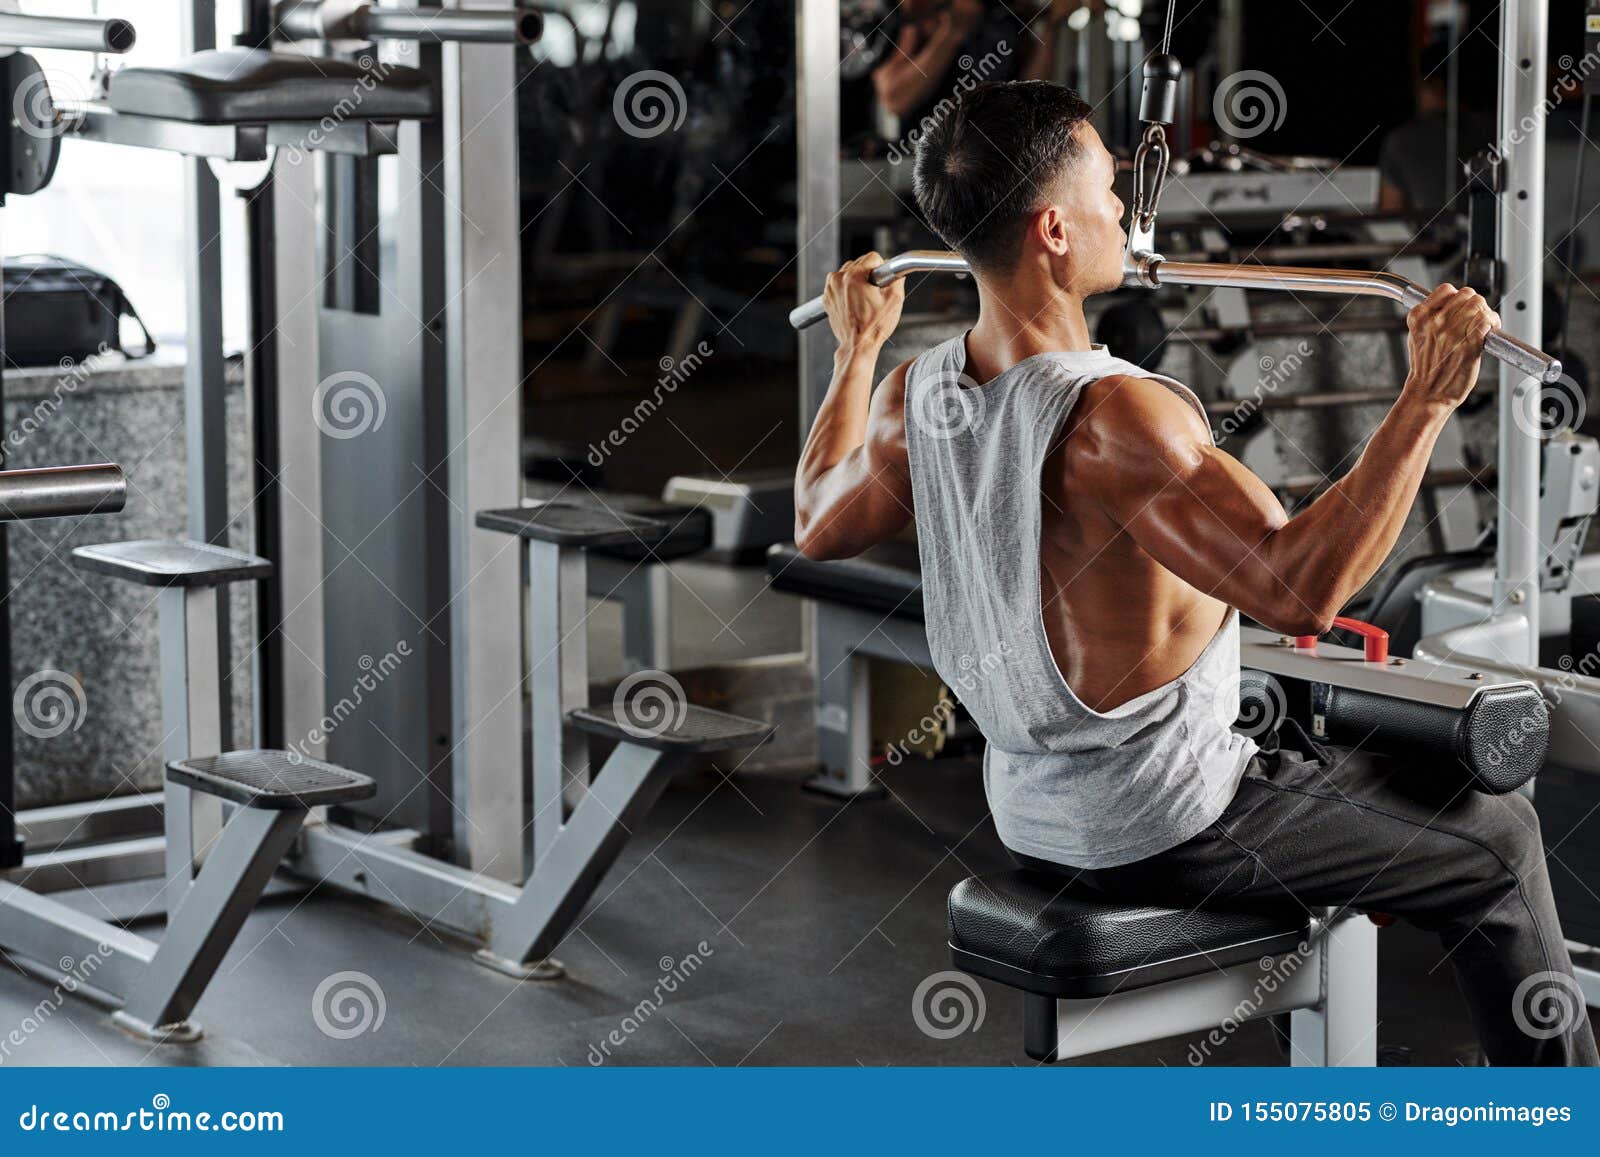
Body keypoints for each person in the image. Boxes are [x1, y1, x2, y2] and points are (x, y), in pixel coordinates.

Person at [792, 80, 1598, 1067]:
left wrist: (857, 351)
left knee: (1377, 772)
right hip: (1167, 825)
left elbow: (815, 520)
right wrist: (1425, 400)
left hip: (1031, 813)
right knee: (1502, 839)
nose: (1126, 213)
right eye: (1107, 190)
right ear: (1053, 230)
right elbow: (1298, 591)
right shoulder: (1118, 418)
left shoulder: (913, 396)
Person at [870, 0, 1075, 131]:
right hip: (929, 160)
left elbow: (1033, 93)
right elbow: (894, 99)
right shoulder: (920, 17)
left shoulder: (1007, 13)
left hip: (993, 156)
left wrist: (1052, 24)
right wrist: (951, 33)